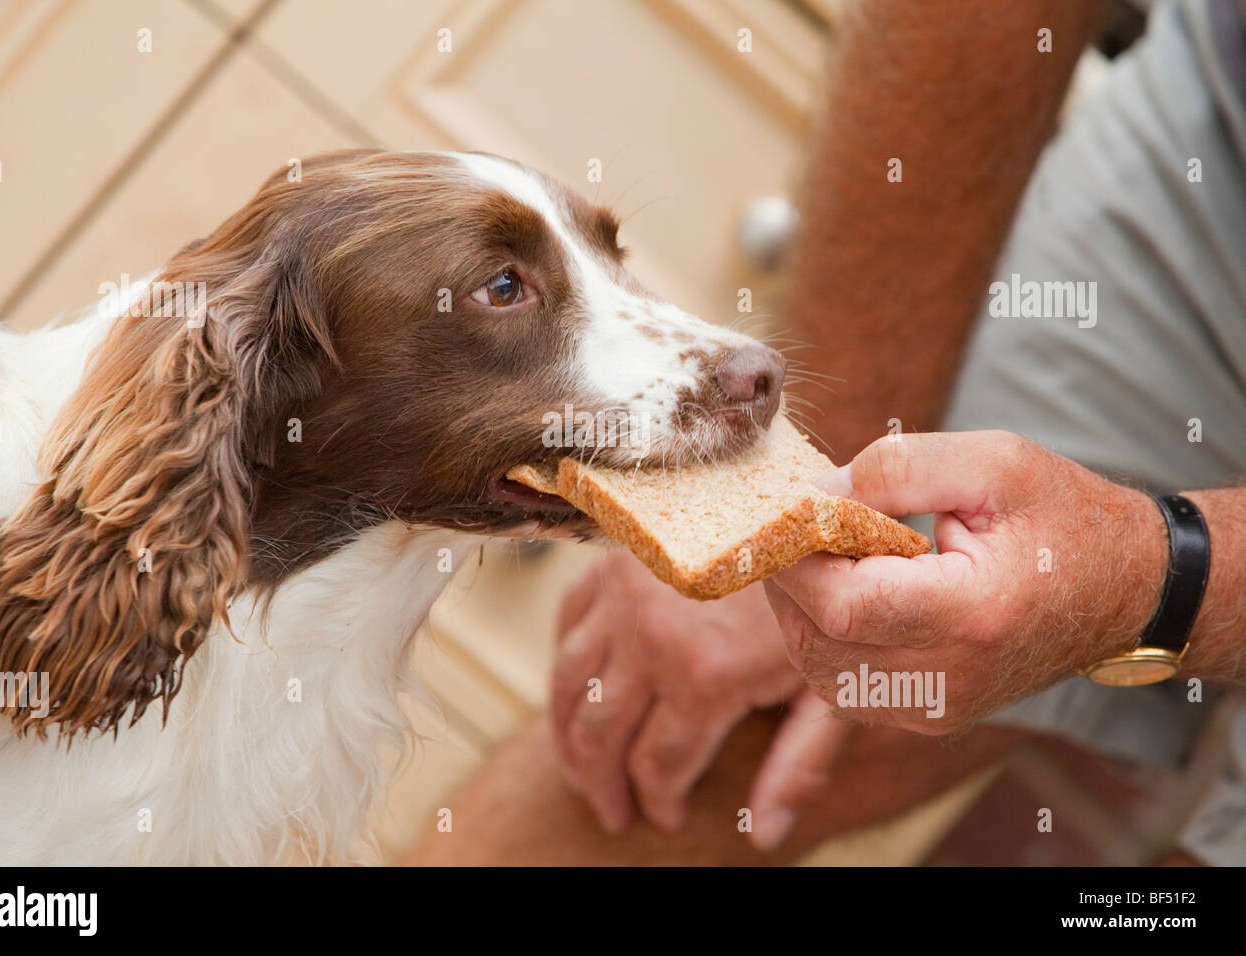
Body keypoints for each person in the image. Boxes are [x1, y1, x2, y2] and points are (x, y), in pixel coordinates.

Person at [408, 0, 1246, 865]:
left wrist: (1146, 577)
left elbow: (1140, 578)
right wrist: (799, 506)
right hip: (1223, 160)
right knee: (699, 714)